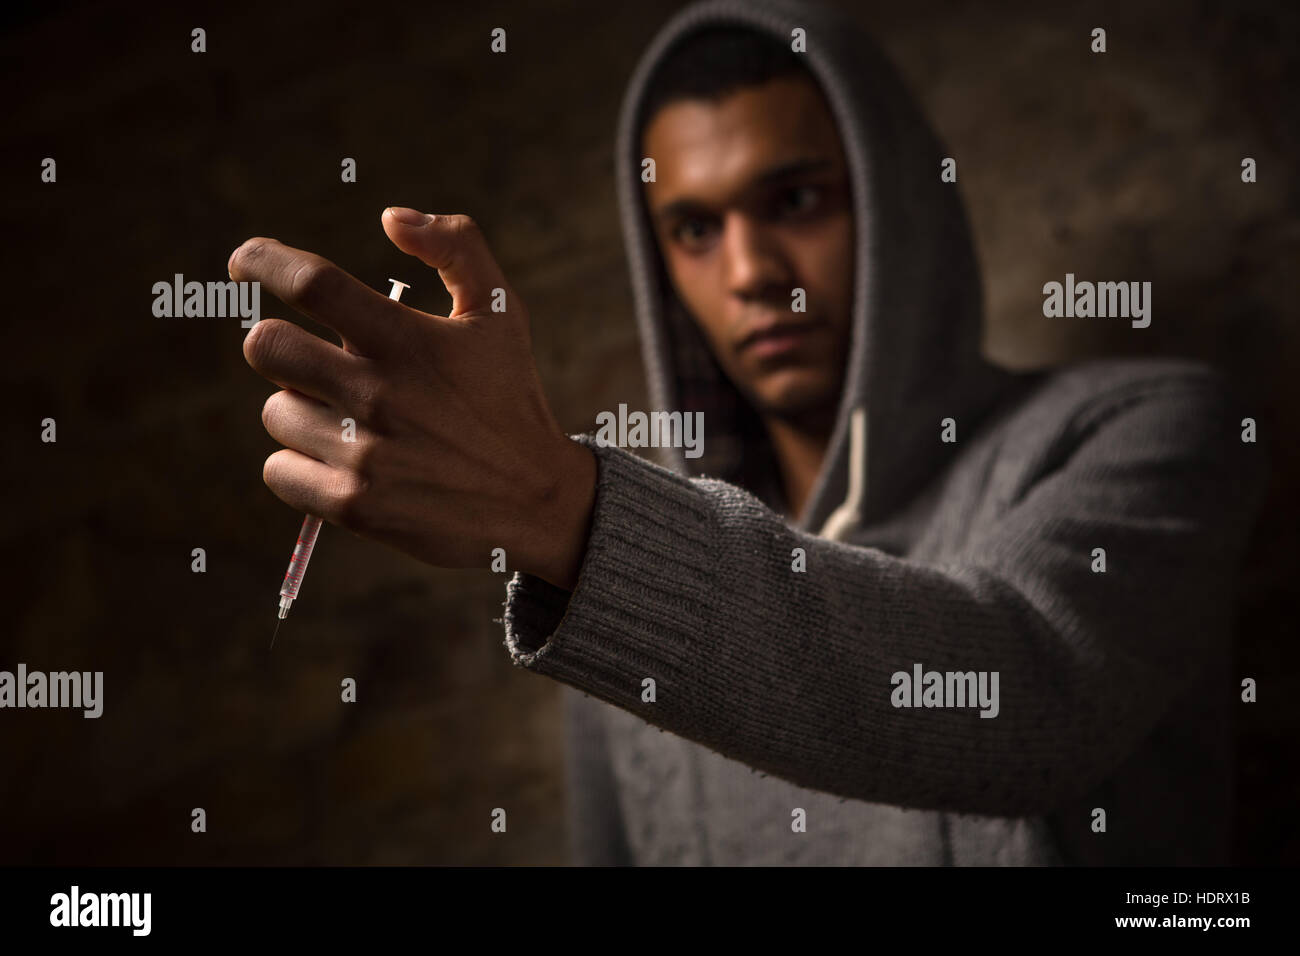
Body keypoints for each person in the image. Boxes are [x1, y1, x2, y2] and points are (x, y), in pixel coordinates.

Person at [233, 0, 1266, 865]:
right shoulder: (589, 581)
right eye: (694, 227)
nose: (750, 273)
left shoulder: (1141, 428)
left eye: (796, 199)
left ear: (899, 201)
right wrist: (576, 531)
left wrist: (565, 513)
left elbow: (1026, 694)